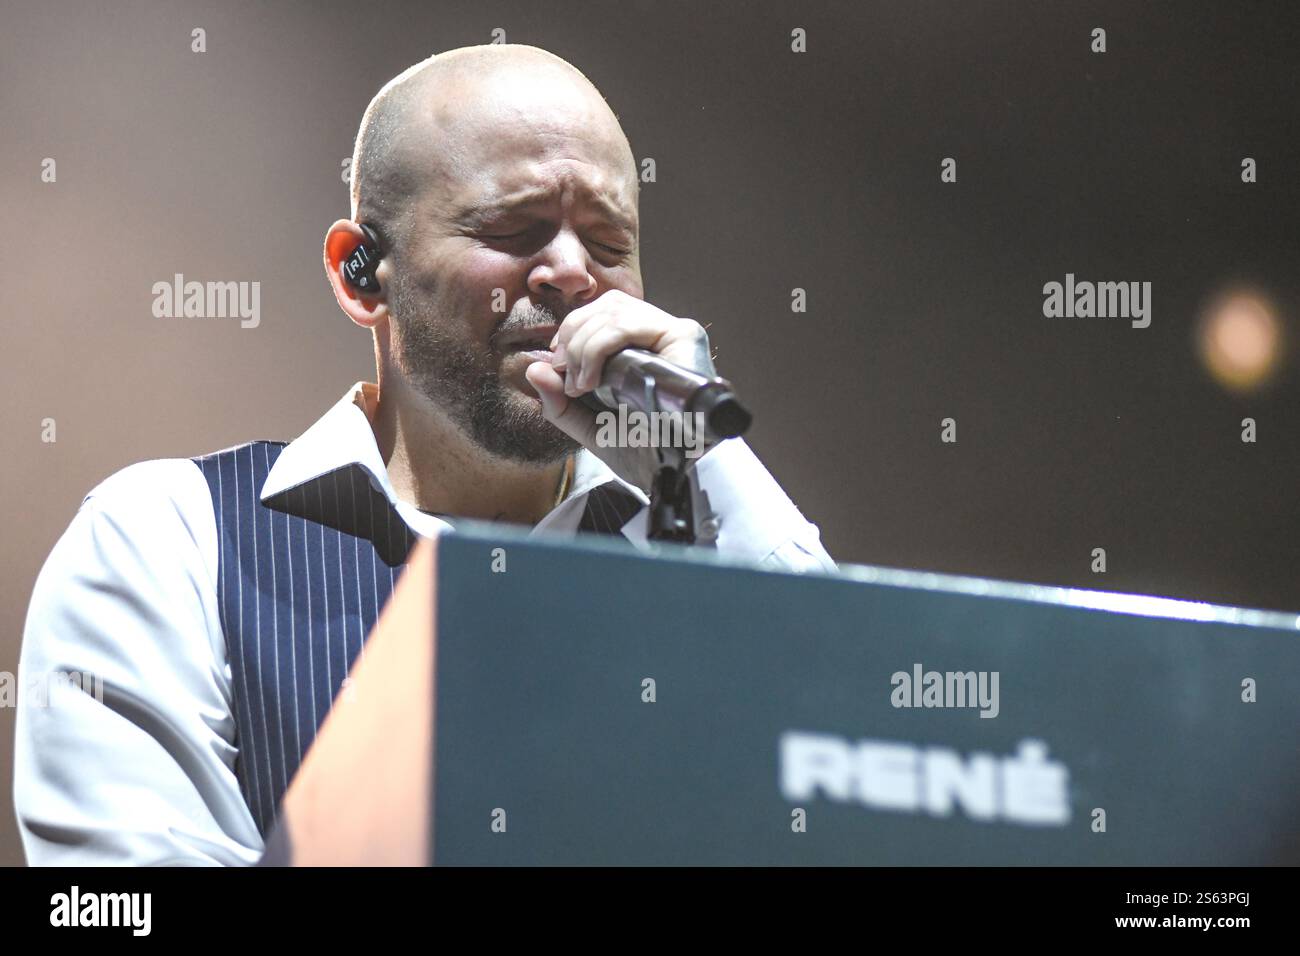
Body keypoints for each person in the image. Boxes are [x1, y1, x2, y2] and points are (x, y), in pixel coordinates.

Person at [14, 43, 834, 865]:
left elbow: (868, 783)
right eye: (513, 230)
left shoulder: (696, 557)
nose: (573, 274)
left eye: (610, 243)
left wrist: (702, 459)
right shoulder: (167, 543)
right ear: (362, 273)